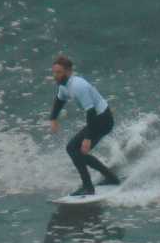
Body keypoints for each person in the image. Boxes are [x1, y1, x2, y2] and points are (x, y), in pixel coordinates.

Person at [46, 54, 122, 196]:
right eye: (54, 72)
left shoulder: (78, 85)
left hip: (103, 119)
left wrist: (87, 138)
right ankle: (110, 177)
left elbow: (91, 112)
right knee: (77, 151)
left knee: (73, 148)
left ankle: (88, 187)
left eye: (58, 72)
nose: (55, 76)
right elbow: (59, 100)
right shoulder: (64, 85)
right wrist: (53, 119)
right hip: (98, 119)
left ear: (68, 72)